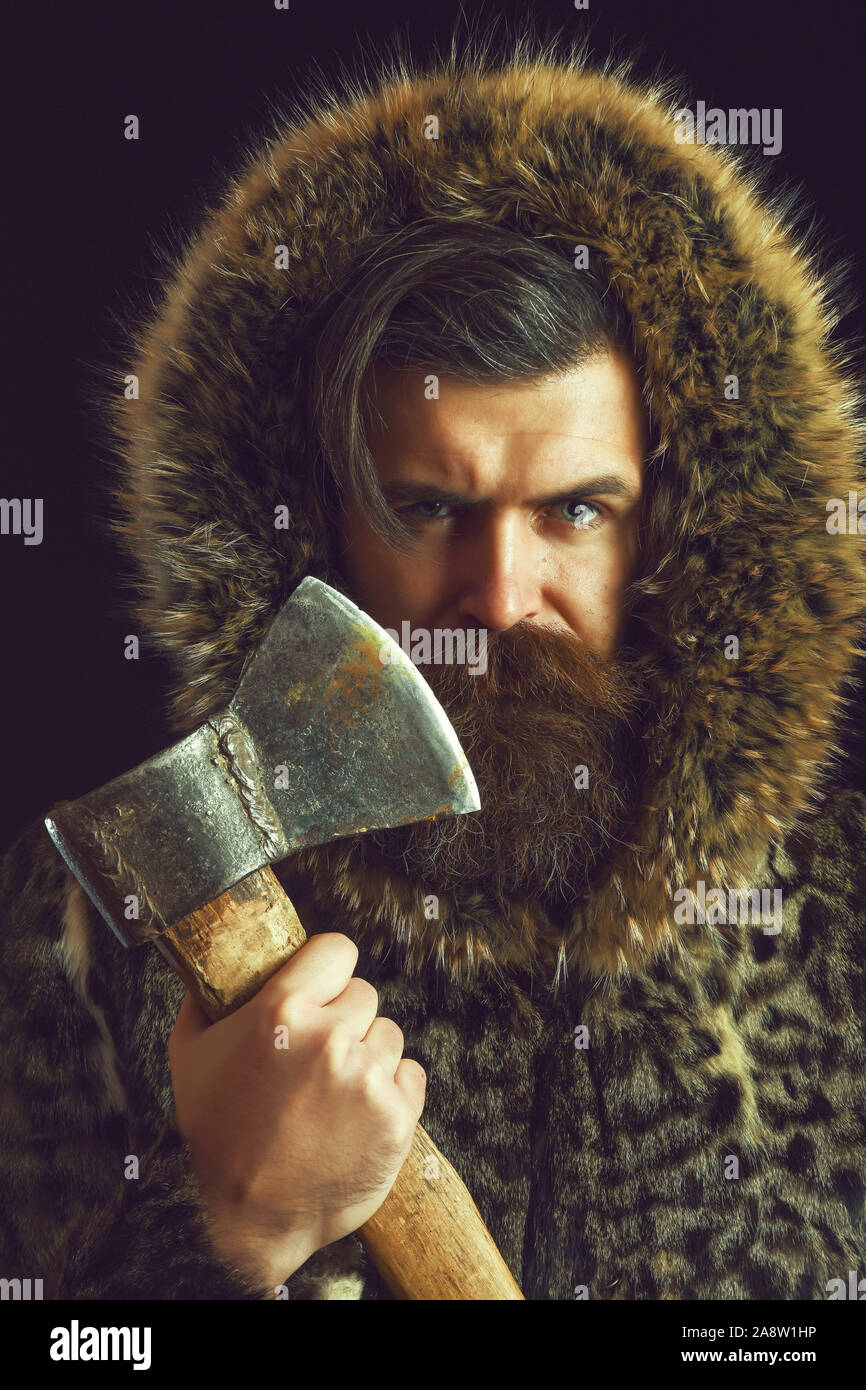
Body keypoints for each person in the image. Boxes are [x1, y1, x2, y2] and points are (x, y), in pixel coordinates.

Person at [2, 31, 865, 1301]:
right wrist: (225, 1229)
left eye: (574, 510)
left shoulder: (841, 923)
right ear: (324, 519)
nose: (501, 598)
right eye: (427, 507)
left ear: (670, 534)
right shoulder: (98, 923)